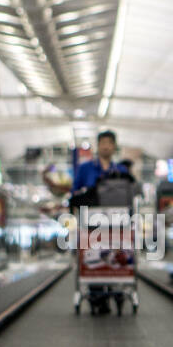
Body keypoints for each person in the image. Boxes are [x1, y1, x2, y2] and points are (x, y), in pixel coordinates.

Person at [72, 129, 123, 314]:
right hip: (92, 221)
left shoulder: (120, 170)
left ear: (114, 146)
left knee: (113, 253)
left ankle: (113, 291)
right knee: (94, 254)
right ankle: (97, 296)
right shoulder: (86, 168)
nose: (106, 146)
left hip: (116, 222)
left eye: (110, 143)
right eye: (103, 143)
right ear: (98, 146)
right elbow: (75, 191)